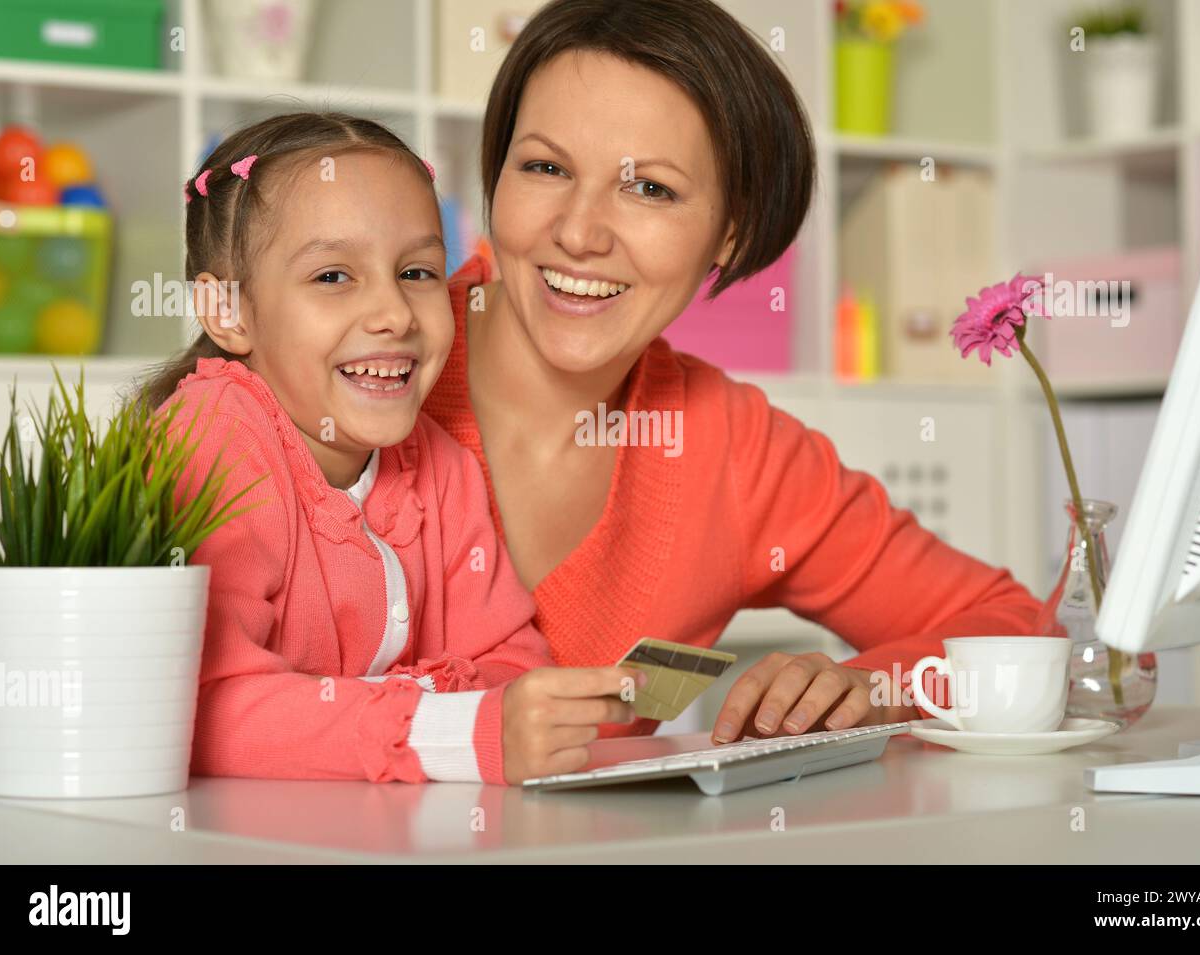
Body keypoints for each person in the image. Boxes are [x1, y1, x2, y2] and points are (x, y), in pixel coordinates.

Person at [422, 0, 1047, 745]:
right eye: (545, 167)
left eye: (650, 187)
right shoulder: (362, 356)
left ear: (733, 230)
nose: (579, 232)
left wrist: (874, 688)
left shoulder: (734, 451)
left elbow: (1023, 632)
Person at [142, 112, 641, 786]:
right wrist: (446, 725)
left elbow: (510, 660)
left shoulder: (440, 465)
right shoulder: (213, 437)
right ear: (228, 310)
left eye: (417, 271)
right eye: (332, 277)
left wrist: (505, 714)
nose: (396, 314)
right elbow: (204, 707)